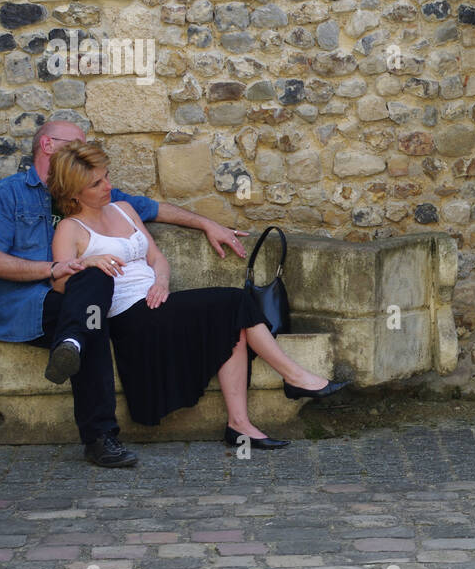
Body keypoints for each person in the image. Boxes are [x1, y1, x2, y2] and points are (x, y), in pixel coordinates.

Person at [47, 141, 343, 449]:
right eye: (96, 183)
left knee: (234, 322)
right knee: (234, 303)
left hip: (158, 301)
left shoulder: (123, 210)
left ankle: (240, 424)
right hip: (128, 318)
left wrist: (161, 282)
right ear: (73, 192)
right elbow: (61, 286)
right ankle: (294, 378)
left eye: (106, 176)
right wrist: (88, 263)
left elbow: (157, 258)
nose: (108, 185)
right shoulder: (70, 229)